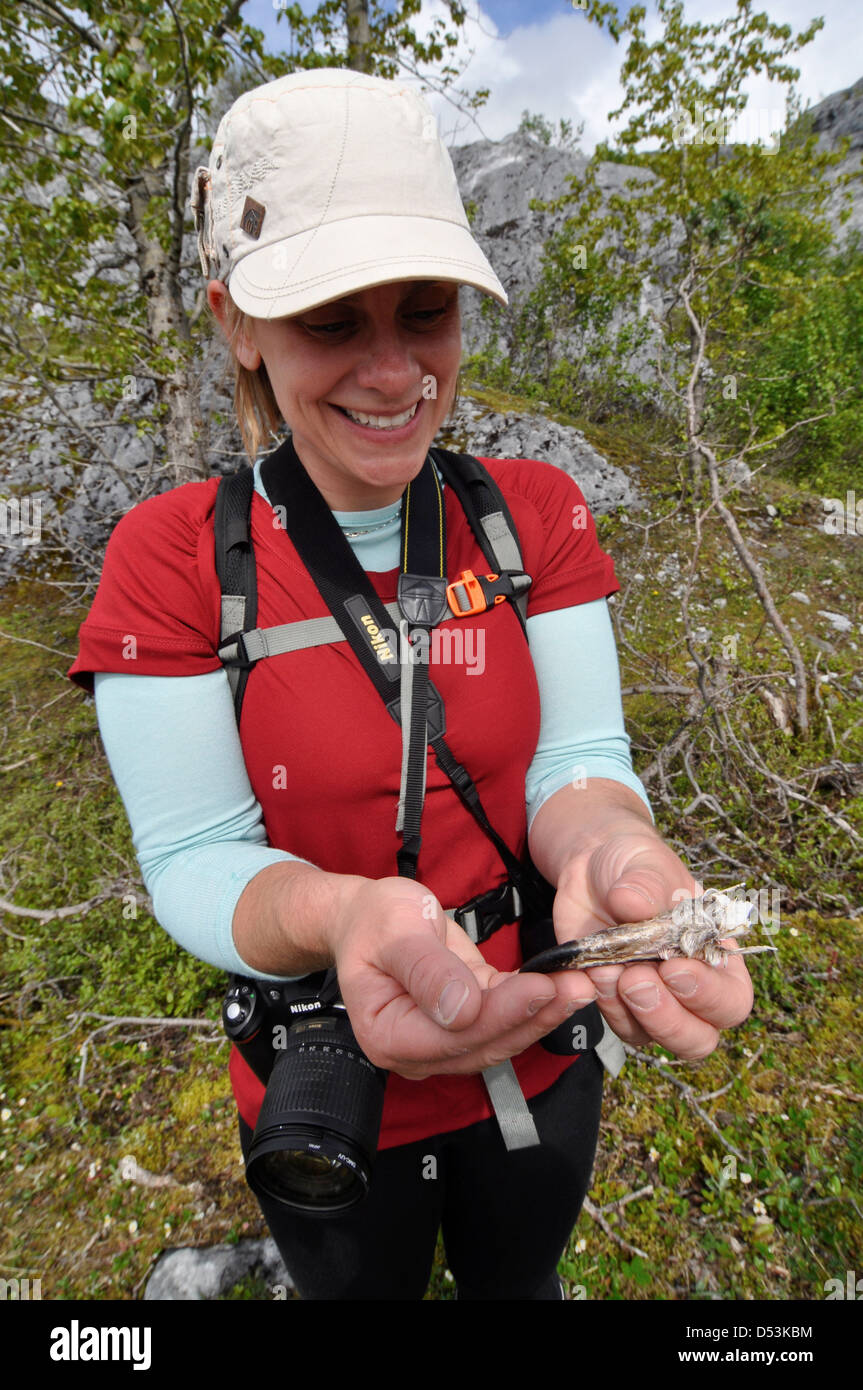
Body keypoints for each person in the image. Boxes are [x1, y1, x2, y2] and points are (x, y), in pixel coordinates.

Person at [67, 68, 754, 1301]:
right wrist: (341, 918)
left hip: (543, 1048)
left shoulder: (530, 514)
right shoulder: (172, 558)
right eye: (331, 319)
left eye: (424, 309)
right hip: (329, 1083)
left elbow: (575, 760)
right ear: (238, 325)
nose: (393, 373)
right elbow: (192, 855)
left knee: (523, 1286)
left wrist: (611, 851)